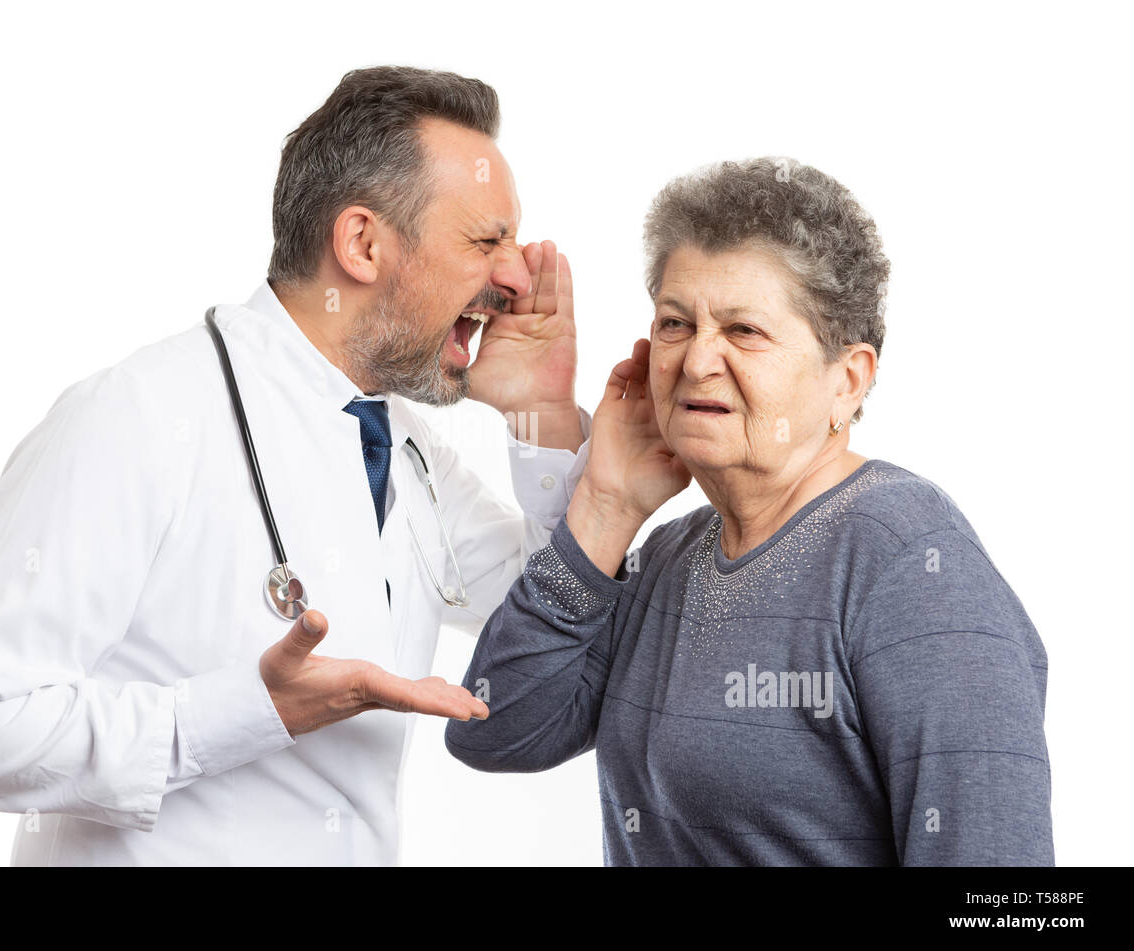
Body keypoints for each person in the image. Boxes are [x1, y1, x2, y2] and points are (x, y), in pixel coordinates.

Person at [0, 66, 592, 866]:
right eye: (486, 240)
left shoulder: (405, 448)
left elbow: (563, 613)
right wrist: (244, 712)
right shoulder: (139, 414)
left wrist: (545, 415)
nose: (516, 276)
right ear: (362, 243)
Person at [445, 157, 1054, 866]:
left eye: (744, 331)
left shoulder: (907, 560)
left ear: (847, 381)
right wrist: (606, 507)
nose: (698, 360)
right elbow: (496, 729)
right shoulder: (670, 555)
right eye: (676, 323)